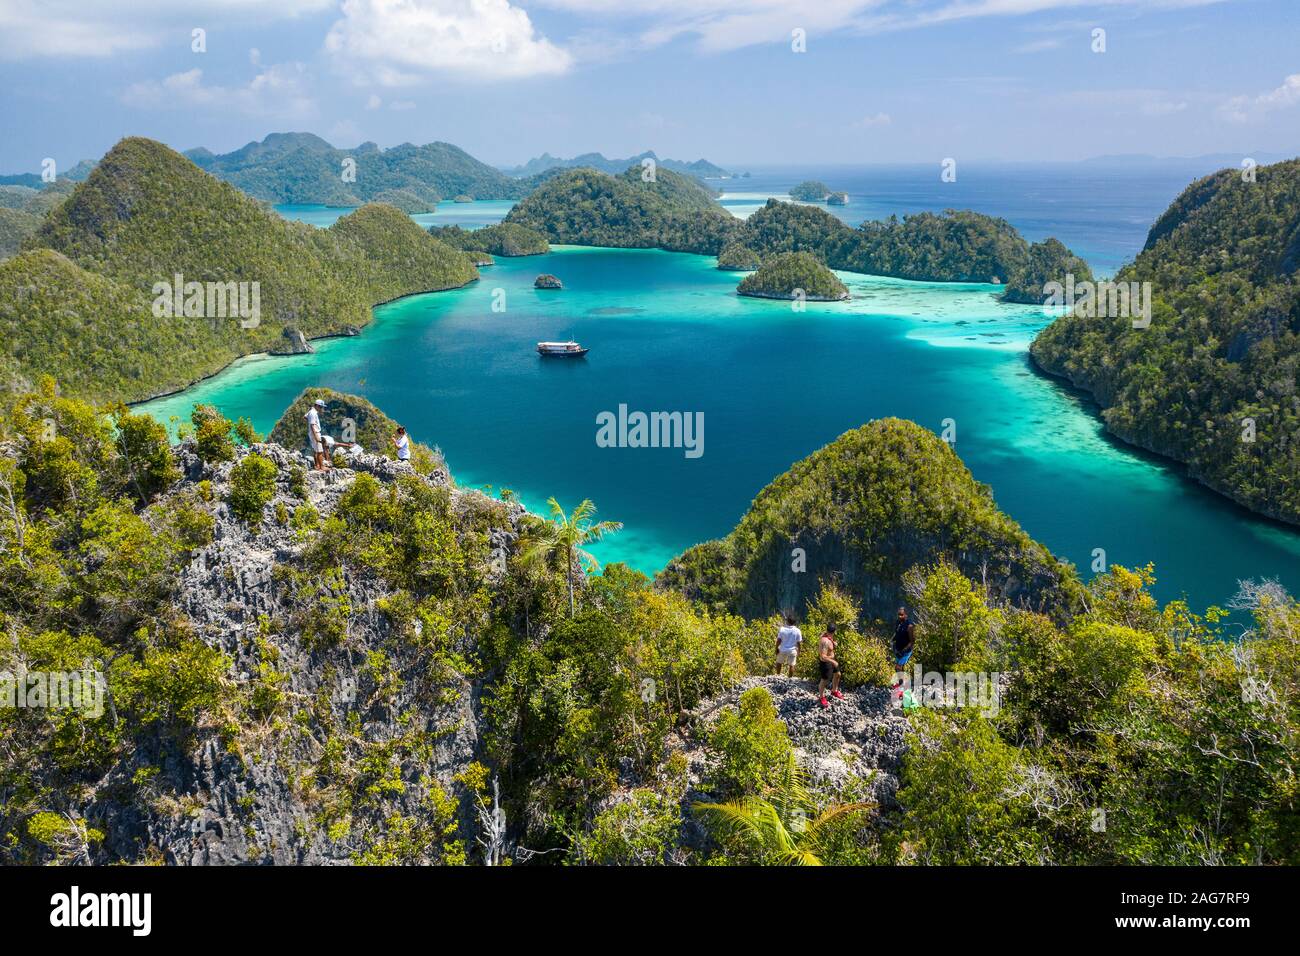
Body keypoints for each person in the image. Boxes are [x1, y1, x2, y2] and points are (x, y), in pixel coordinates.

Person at [817, 623, 843, 709]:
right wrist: (833, 661)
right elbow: (823, 656)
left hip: (831, 660)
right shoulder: (825, 641)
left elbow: (829, 643)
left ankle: (834, 691)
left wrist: (833, 643)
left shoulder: (828, 636)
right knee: (825, 680)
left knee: (838, 674)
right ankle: (821, 697)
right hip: (826, 662)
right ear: (835, 631)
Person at [892, 607, 916, 698]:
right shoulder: (898, 623)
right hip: (898, 649)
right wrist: (892, 641)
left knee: (898, 667)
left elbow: (912, 641)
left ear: (906, 615)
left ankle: (901, 688)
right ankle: (903, 685)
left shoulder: (909, 626)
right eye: (899, 614)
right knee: (899, 668)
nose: (900, 616)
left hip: (906, 651)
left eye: (902, 615)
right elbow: (896, 633)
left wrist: (904, 651)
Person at [305, 398, 327, 471]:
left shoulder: (311, 412)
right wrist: (316, 437)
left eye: (322, 407)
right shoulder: (313, 413)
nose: (321, 408)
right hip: (315, 432)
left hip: (312, 433)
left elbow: (305, 417)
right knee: (320, 451)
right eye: (320, 407)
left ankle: (317, 466)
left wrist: (310, 420)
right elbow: (312, 425)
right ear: (316, 406)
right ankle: (322, 467)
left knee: (315, 450)